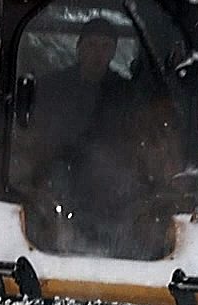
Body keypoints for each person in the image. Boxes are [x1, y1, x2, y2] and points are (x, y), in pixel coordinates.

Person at [23, 17, 181, 259]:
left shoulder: (126, 94)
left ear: (113, 51)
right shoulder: (52, 88)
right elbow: (33, 134)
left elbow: (141, 141)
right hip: (57, 169)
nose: (98, 53)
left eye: (105, 46)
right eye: (92, 45)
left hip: (111, 179)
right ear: (80, 47)